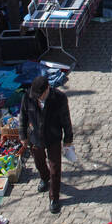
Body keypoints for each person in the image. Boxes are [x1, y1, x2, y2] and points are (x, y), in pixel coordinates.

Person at [18, 73, 72, 214]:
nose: (37, 97)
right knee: (39, 163)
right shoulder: (28, 97)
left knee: (55, 169)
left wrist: (68, 139)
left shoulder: (59, 98)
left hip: (53, 138)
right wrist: (23, 135)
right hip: (36, 138)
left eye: (40, 94)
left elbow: (66, 120)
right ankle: (44, 177)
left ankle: (54, 198)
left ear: (47, 89)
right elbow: (23, 117)